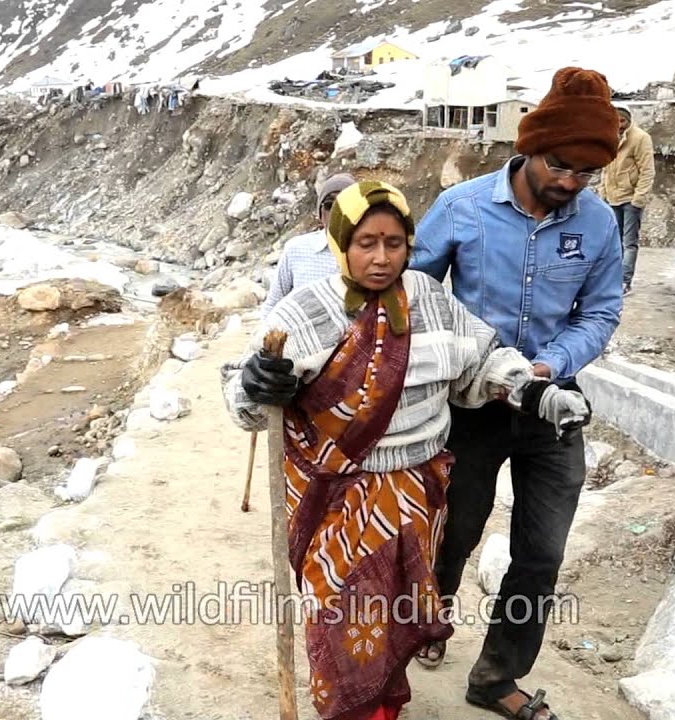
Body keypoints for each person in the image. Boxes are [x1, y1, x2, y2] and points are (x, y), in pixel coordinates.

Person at [220, 181, 592, 720]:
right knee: (343, 614)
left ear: (409, 245)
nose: (381, 258)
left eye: (393, 243)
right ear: (341, 243)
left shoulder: (430, 299)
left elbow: (481, 362)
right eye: (366, 243)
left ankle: (384, 706)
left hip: (416, 494)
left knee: (395, 612)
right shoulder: (307, 311)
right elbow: (247, 404)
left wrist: (537, 394)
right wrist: (256, 384)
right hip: (338, 498)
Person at [408, 66, 625, 719]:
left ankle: (497, 675)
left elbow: (601, 311)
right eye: (560, 165)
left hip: (552, 406)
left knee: (542, 551)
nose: (570, 182)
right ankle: (430, 620)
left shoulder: (598, 224)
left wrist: (550, 365)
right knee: (454, 531)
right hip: (469, 407)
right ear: (529, 147)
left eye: (587, 172)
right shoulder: (463, 207)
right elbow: (413, 293)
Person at [259, 172, 357, 317]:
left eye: (346, 204)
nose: (337, 211)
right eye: (329, 205)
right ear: (320, 213)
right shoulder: (296, 249)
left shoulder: (370, 254)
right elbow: (273, 305)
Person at [598, 103, 656, 295]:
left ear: (629, 120)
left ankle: (625, 281)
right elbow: (606, 168)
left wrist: (638, 198)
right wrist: (603, 193)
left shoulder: (640, 138)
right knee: (613, 242)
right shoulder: (609, 137)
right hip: (612, 197)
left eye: (622, 120)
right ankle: (613, 279)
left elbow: (647, 171)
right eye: (615, 120)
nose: (619, 124)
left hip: (630, 199)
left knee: (629, 243)